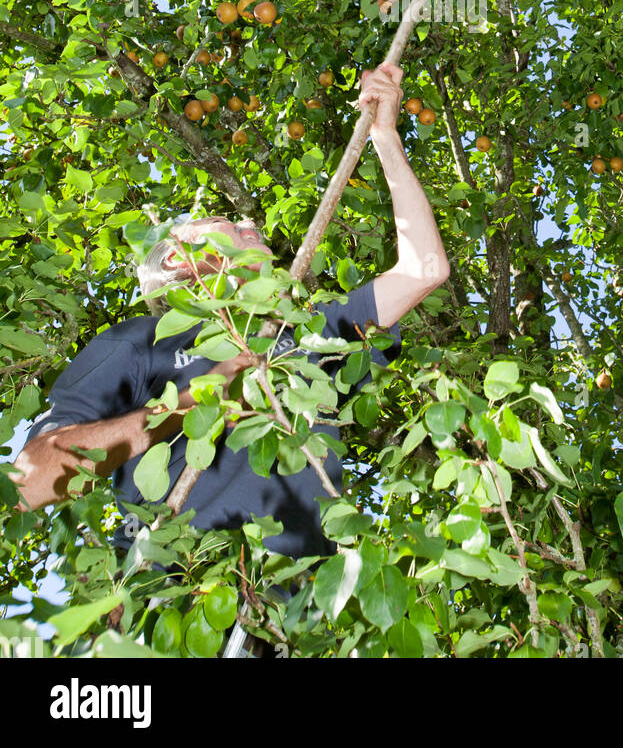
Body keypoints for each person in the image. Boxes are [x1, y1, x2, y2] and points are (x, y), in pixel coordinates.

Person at [11, 61, 450, 650]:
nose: (251, 225)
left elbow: (425, 270)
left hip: (298, 627)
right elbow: (33, 481)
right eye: (227, 225)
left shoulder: (301, 341)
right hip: (181, 617)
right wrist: (194, 400)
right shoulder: (142, 343)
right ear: (177, 262)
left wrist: (386, 138)